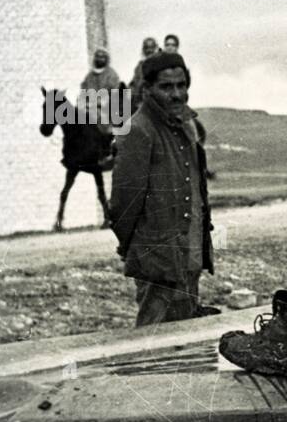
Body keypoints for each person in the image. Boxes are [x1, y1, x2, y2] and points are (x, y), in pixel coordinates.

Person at [109, 50, 213, 326]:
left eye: (182, 85)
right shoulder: (138, 130)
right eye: (166, 87)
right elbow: (123, 204)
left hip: (188, 256)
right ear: (147, 89)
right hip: (158, 261)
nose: (177, 94)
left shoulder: (186, 126)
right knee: (153, 343)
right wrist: (138, 248)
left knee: (187, 339)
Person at [81, 46, 128, 128]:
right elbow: (84, 92)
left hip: (108, 110)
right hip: (90, 109)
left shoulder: (112, 75)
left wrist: (99, 103)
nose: (99, 59)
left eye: (102, 57)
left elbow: (114, 96)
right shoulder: (89, 76)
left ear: (106, 59)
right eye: (97, 56)